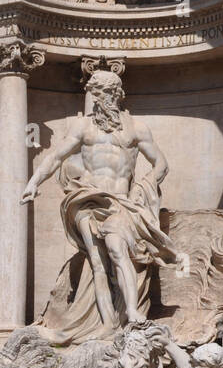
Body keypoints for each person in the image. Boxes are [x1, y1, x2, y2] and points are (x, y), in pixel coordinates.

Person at [23, 70, 180, 343]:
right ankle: (107, 322)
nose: (99, 99)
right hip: (86, 199)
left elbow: (161, 164)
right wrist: (34, 182)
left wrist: (145, 187)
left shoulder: (136, 128)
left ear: (117, 94)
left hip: (119, 201)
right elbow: (55, 157)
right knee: (97, 260)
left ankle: (131, 313)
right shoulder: (83, 128)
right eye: (96, 93)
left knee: (118, 250)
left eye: (104, 93)